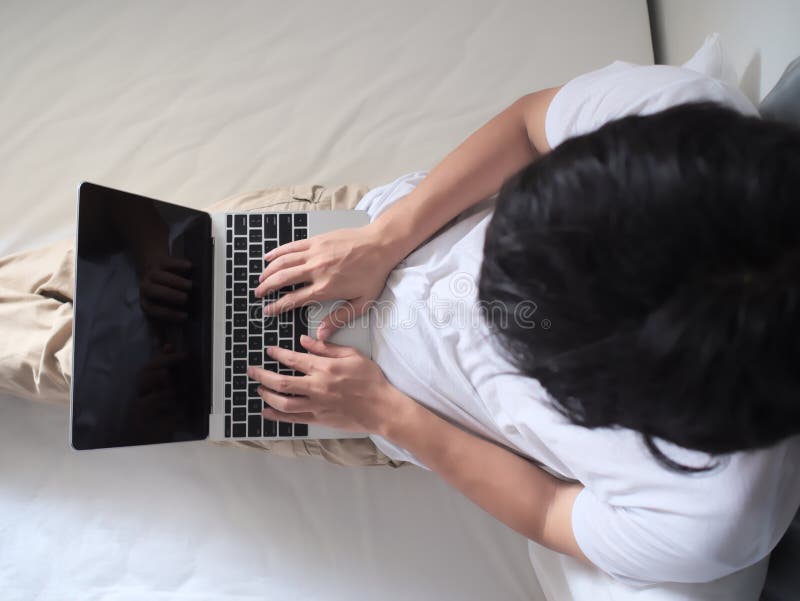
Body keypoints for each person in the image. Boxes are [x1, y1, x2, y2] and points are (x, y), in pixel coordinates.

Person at [2, 53, 799, 585]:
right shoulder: (680, 131)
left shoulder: (711, 514)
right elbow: (529, 125)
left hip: (367, 404)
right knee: (112, 270)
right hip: (354, 238)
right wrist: (384, 236)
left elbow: (550, 510)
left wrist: (381, 410)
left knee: (88, 358)